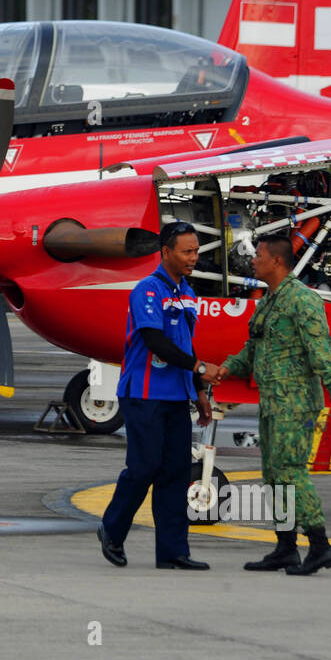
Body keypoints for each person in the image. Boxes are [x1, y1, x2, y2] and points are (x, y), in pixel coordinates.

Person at [216, 233, 331, 575]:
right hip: (273, 402)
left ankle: (320, 545)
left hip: (294, 404)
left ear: (276, 261)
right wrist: (226, 369)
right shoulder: (270, 301)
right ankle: (286, 547)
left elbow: (321, 349)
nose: (253, 260)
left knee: (290, 473)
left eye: (258, 255)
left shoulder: (302, 301)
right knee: (274, 475)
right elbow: (253, 349)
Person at [97, 221, 222, 570]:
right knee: (145, 467)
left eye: (196, 251)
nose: (193, 258)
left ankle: (172, 551)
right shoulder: (147, 291)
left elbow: (186, 345)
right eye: (187, 251)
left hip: (175, 395)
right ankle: (111, 528)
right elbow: (155, 341)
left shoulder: (188, 294)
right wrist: (199, 368)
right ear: (165, 252)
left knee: (176, 472)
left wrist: (200, 392)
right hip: (144, 393)